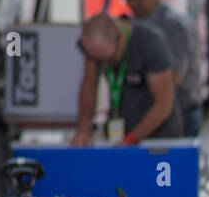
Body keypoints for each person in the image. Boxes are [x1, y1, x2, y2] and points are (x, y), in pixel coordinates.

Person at [70, 12, 182, 145]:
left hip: (159, 138)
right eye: (97, 60)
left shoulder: (150, 42)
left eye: (108, 59)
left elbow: (163, 103)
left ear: (121, 39)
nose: (104, 65)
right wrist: (84, 129)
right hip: (123, 133)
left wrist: (130, 139)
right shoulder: (95, 50)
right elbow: (89, 83)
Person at [123, 0, 203, 137]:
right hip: (148, 115)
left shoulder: (173, 25)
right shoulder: (134, 25)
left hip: (181, 114)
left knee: (172, 163)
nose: (134, 4)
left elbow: (176, 77)